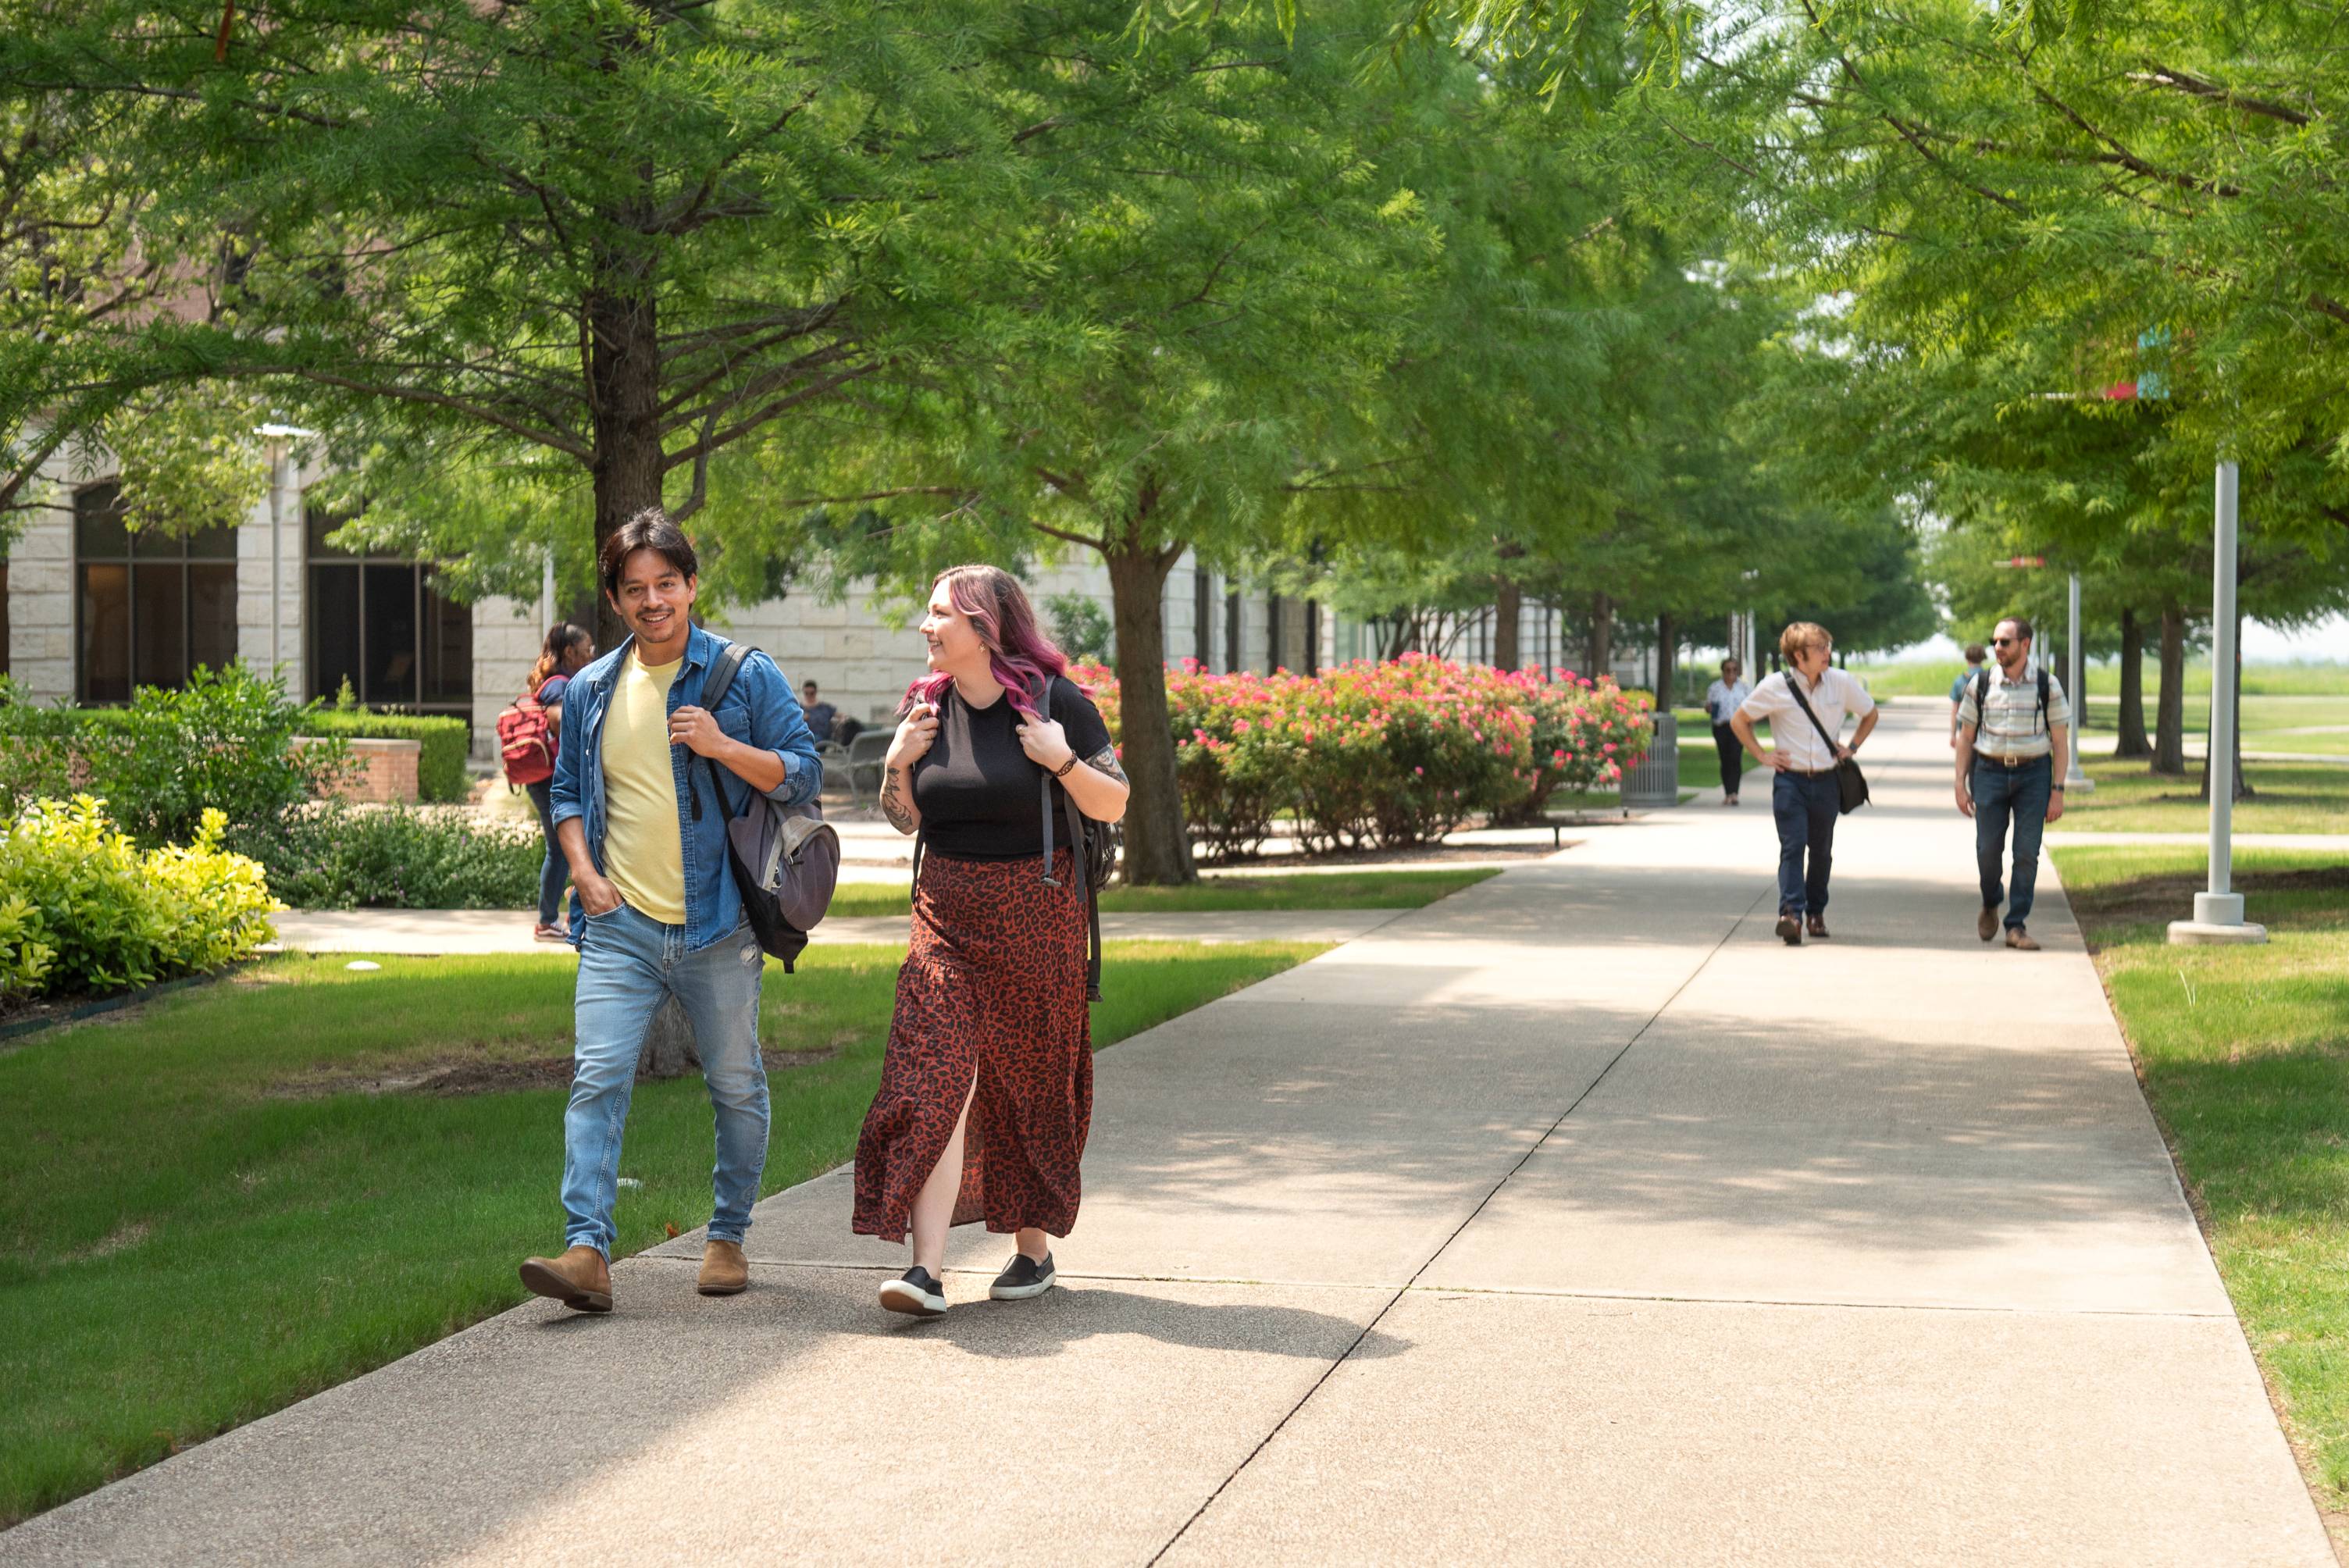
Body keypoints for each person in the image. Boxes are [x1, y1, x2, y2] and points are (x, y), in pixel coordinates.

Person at [518, 508, 823, 1314]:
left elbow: (801, 772)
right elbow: (571, 795)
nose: (653, 600)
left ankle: (727, 1235)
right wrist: (582, 870)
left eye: (666, 584)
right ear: (616, 600)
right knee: (595, 1078)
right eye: (635, 589)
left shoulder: (743, 674)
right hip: (618, 924)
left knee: (735, 1084)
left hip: (717, 924)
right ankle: (586, 1251)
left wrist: (722, 745)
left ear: (691, 585)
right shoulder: (591, 687)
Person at [853, 564, 1130, 1318]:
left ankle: (1032, 1252)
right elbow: (907, 819)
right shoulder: (926, 704)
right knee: (933, 1076)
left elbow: (1114, 797)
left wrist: (1060, 758)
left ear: (985, 626)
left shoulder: (1054, 702)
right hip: (944, 914)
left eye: (940, 613)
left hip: (1037, 917)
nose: (926, 626)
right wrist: (895, 766)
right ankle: (926, 1271)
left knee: (1028, 1084)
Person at [1731, 622, 1879, 946]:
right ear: (1798, 655)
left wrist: (1851, 747)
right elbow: (1739, 720)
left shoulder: (1840, 682)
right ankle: (1791, 915)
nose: (1827, 653)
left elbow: (1870, 713)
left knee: (1822, 851)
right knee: (1793, 846)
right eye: (1820, 648)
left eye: (1828, 646)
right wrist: (1762, 755)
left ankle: (1816, 912)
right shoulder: (1774, 686)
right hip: (1790, 781)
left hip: (1827, 781)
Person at [1955, 615, 2070, 952]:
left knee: (2026, 853)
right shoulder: (1981, 684)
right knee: (1987, 850)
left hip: (2033, 774)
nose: (1997, 648)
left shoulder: (2047, 685)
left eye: (2005, 642)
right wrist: (1960, 783)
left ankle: (2016, 925)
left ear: (2025, 644)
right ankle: (1991, 900)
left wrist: (2058, 791)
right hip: (1988, 772)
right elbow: (1965, 737)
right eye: (1995, 642)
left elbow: (2060, 742)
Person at [526, 622, 596, 942]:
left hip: (545, 777)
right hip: (551, 779)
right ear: (570, 652)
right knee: (560, 847)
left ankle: (561, 909)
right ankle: (547, 921)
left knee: (565, 847)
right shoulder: (560, 685)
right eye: (587, 649)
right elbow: (558, 719)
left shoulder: (560, 682)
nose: (592, 654)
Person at [1703, 657, 1753, 807]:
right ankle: (1727, 793)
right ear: (1723, 671)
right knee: (1725, 759)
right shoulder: (1715, 688)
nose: (1731, 673)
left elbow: (1750, 707)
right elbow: (1708, 707)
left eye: (1734, 670)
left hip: (1739, 727)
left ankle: (1735, 793)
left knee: (1735, 758)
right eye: (1728, 670)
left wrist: (1750, 725)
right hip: (1721, 726)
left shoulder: (1744, 688)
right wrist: (1709, 709)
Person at [1948, 643, 1988, 747]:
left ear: (1967, 658)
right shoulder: (1990, 679)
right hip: (1986, 732)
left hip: (1965, 731)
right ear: (1983, 658)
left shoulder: (1960, 681)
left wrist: (1953, 734)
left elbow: (1955, 711)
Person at [801, 680, 839, 744]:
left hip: (821, 739)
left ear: (816, 693)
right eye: (806, 693)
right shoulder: (799, 708)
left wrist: (844, 718)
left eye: (812, 693)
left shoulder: (824, 707)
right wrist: (802, 718)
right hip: (804, 737)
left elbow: (838, 715)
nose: (809, 696)